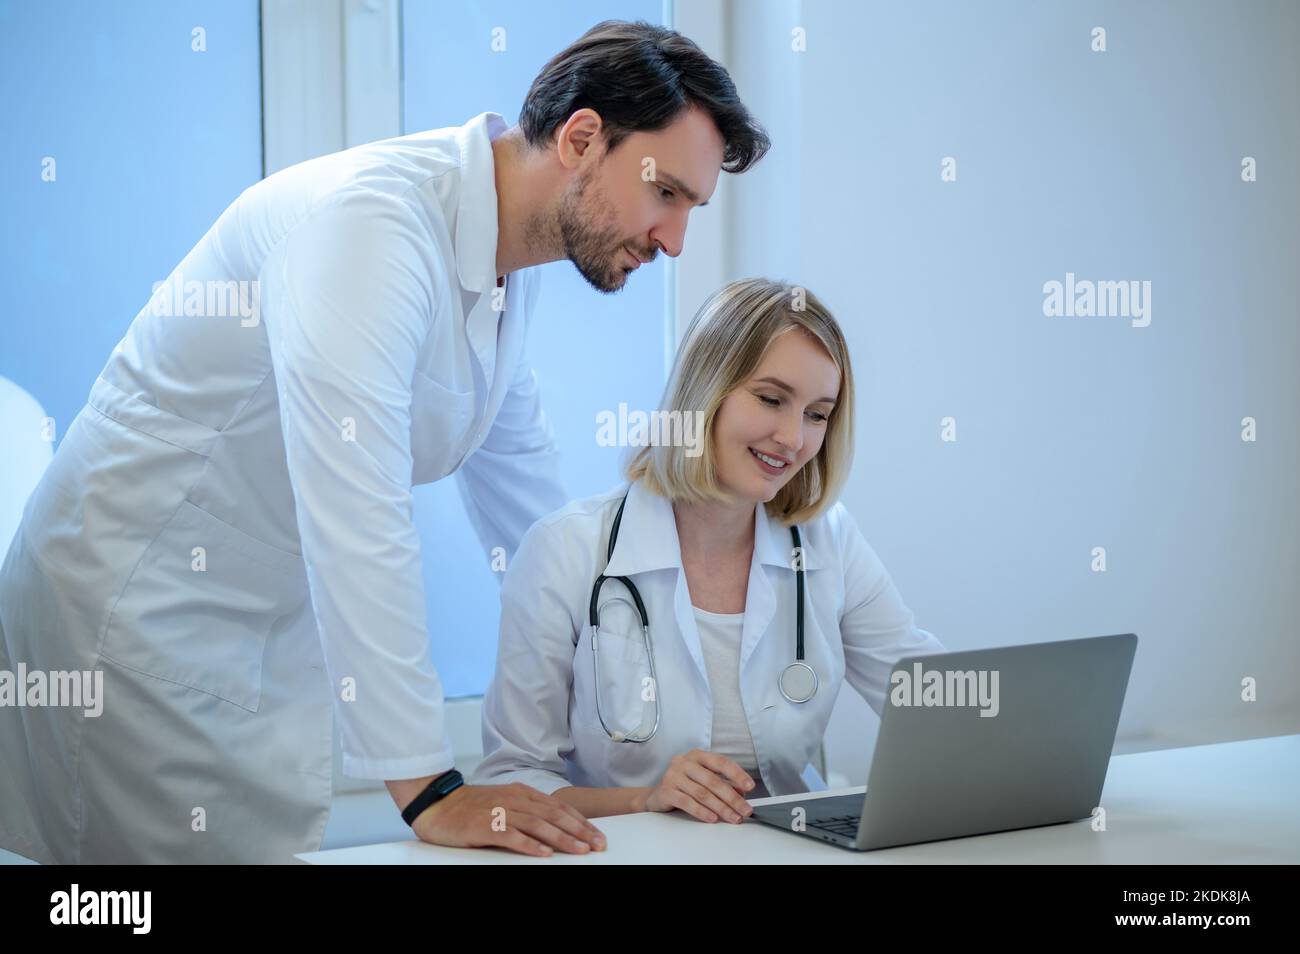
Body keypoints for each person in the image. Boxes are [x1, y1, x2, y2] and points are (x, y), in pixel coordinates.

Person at [0, 20, 769, 863]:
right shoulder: (371, 226)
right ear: (583, 138)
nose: (676, 241)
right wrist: (432, 789)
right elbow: (358, 509)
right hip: (134, 617)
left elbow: (528, 496)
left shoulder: (505, 267)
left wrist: (636, 677)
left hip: (250, 630)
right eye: (668, 196)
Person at [475, 279, 945, 822]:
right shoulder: (567, 550)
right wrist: (644, 801)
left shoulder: (828, 540)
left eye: (817, 414)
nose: (793, 438)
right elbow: (510, 779)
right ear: (706, 393)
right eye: (771, 399)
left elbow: (927, 698)